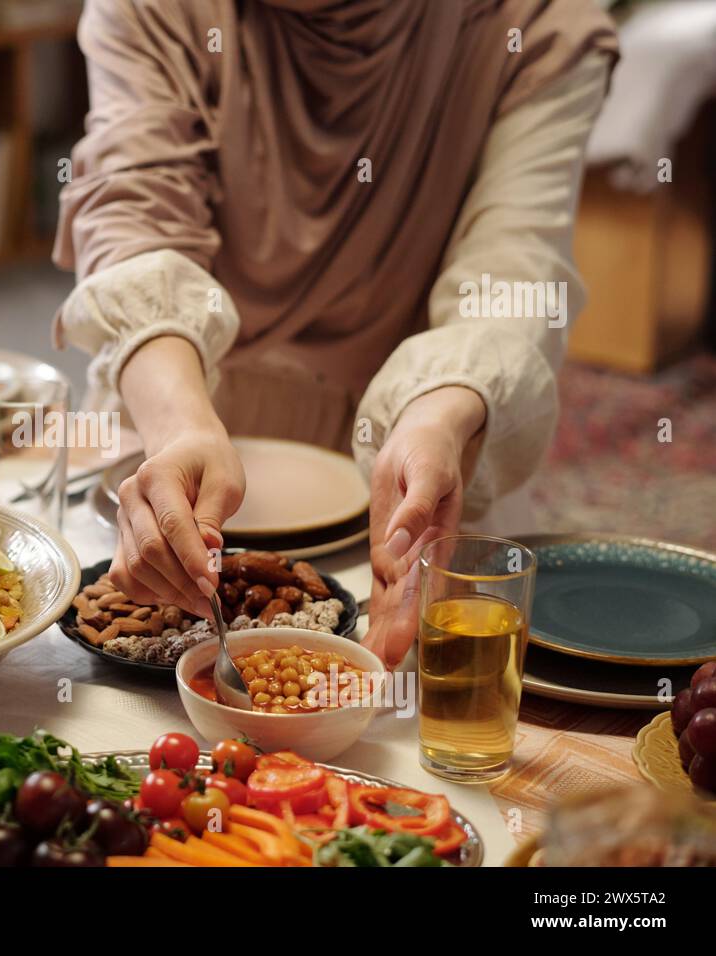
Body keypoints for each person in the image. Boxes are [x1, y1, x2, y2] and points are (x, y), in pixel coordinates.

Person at [52, 0, 618, 666]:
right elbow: (133, 218)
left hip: (415, 460)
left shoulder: (539, 23)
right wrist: (181, 428)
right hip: (175, 428)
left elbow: (513, 271)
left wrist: (435, 422)